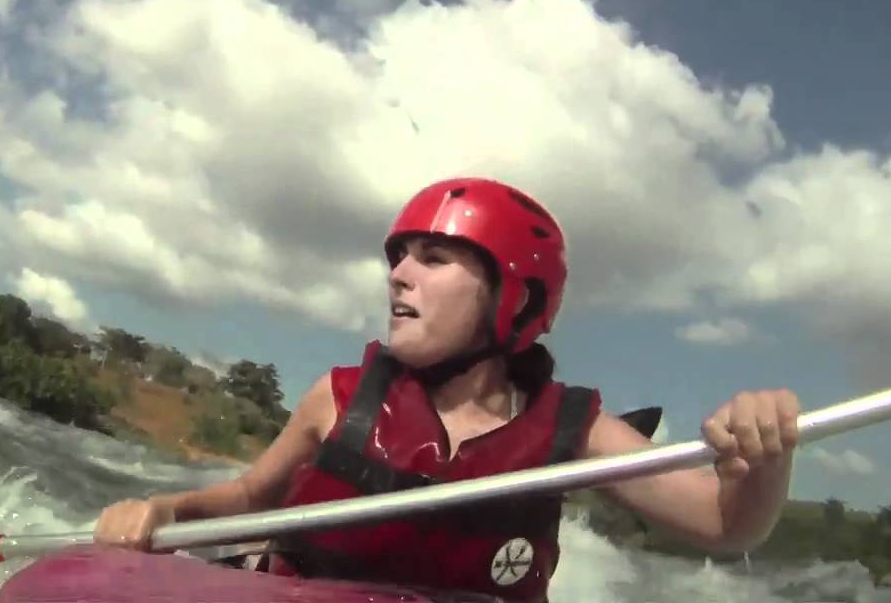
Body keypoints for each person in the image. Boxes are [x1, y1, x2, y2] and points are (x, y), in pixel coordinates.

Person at [92, 177, 800, 602]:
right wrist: (164, 509)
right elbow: (250, 499)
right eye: (399, 256)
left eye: (434, 258)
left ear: (514, 299)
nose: (399, 273)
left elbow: (727, 524)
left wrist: (763, 459)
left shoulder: (573, 431)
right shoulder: (340, 397)